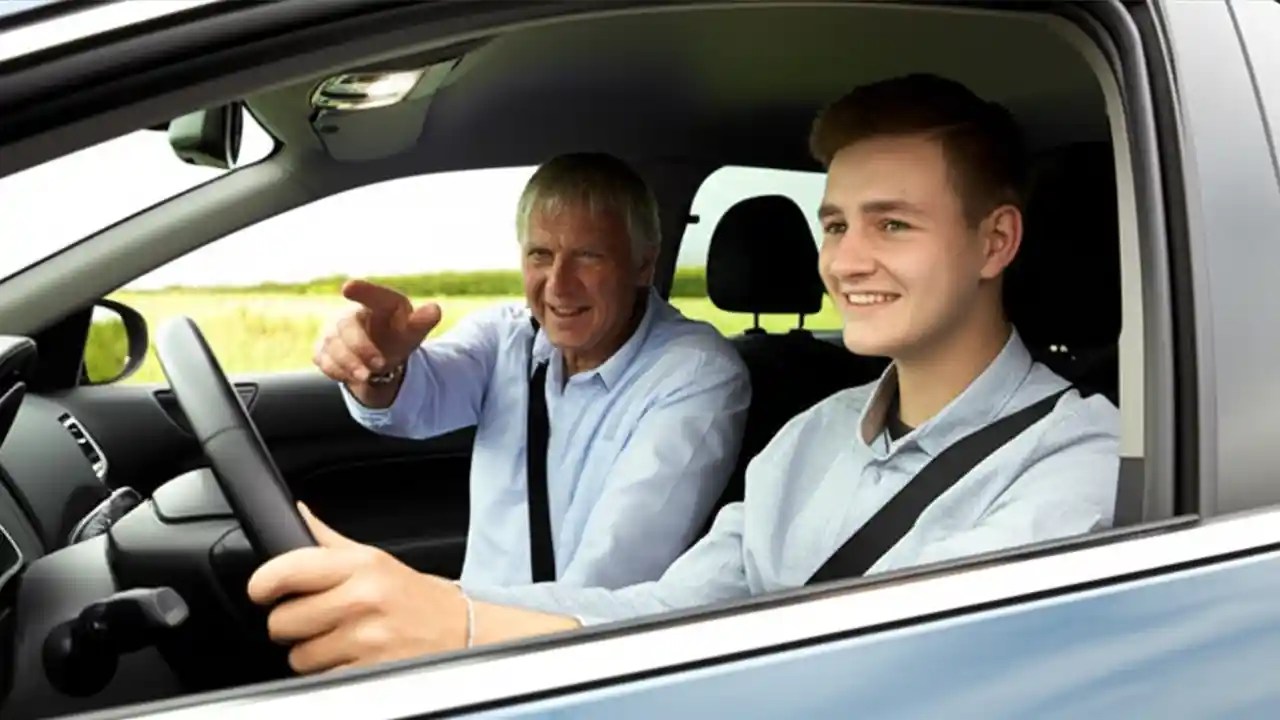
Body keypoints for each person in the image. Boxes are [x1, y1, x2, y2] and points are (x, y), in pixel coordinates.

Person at [248, 74, 1120, 673]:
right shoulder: (806, 442)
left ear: (995, 242)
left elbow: (907, 674)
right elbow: (671, 611)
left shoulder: (1076, 461)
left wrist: (458, 624)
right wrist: (452, 620)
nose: (844, 261)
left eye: (891, 226)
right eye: (836, 224)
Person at [312, 152, 751, 591]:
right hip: (476, 631)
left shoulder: (695, 373)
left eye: (588, 256)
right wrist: (380, 367)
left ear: (643, 266)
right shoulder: (507, 337)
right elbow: (417, 399)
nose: (558, 284)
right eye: (541, 255)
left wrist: (431, 609)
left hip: (570, 645)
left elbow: (610, 580)